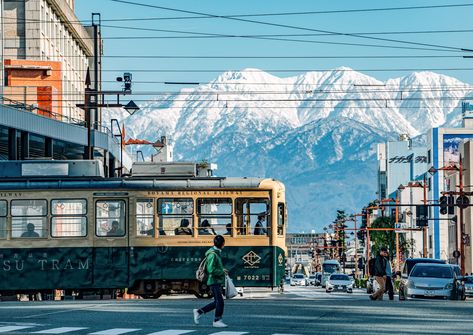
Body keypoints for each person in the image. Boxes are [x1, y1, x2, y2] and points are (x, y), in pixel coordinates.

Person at [193, 235, 228, 328]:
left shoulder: (215, 253)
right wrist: (222, 271)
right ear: (223, 244)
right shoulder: (213, 254)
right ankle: (217, 320)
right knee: (220, 302)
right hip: (214, 280)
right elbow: (211, 269)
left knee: (217, 302)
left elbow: (214, 268)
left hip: (216, 280)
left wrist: (221, 270)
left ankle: (199, 311)